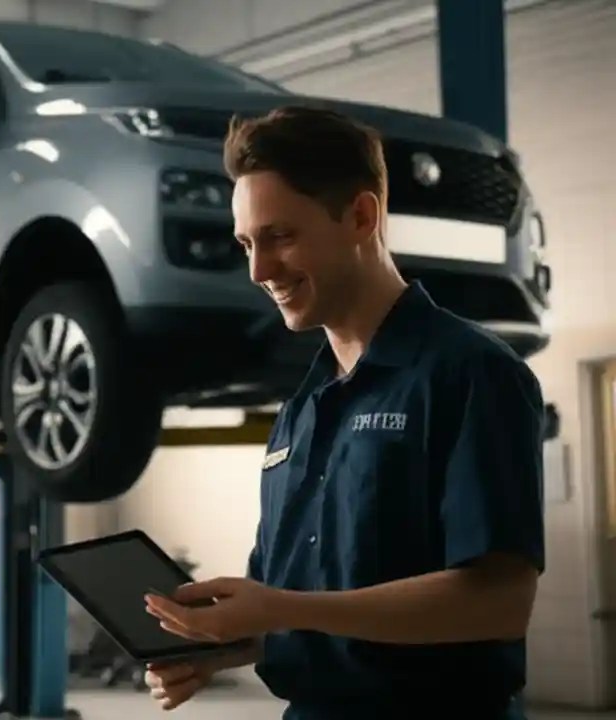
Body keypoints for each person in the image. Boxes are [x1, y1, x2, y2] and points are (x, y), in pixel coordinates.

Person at [142, 106, 545, 719]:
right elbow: (293, 606)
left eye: (280, 237)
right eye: (247, 244)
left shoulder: (470, 373)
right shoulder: (301, 410)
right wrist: (220, 647)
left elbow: (498, 602)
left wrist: (281, 608)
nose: (257, 270)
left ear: (361, 216)